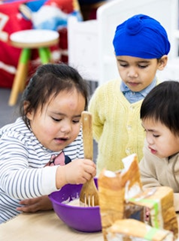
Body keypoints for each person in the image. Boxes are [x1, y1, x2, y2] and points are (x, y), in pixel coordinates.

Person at [0, 63, 96, 224]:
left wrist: (51, 201)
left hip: (48, 219)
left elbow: (79, 182)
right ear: (29, 110)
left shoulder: (77, 136)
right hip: (9, 224)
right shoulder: (14, 138)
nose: (67, 128)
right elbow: (11, 182)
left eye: (76, 120)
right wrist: (63, 174)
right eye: (57, 119)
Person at [88, 14, 170, 174]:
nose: (132, 73)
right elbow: (94, 124)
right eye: (123, 64)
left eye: (142, 65)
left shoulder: (168, 99)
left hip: (151, 184)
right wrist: (109, 144)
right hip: (108, 179)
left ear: (161, 62)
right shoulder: (105, 93)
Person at [139, 80, 179, 215]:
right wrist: (154, 199)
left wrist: (171, 201)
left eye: (156, 135)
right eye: (146, 131)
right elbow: (144, 180)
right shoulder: (153, 151)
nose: (149, 140)